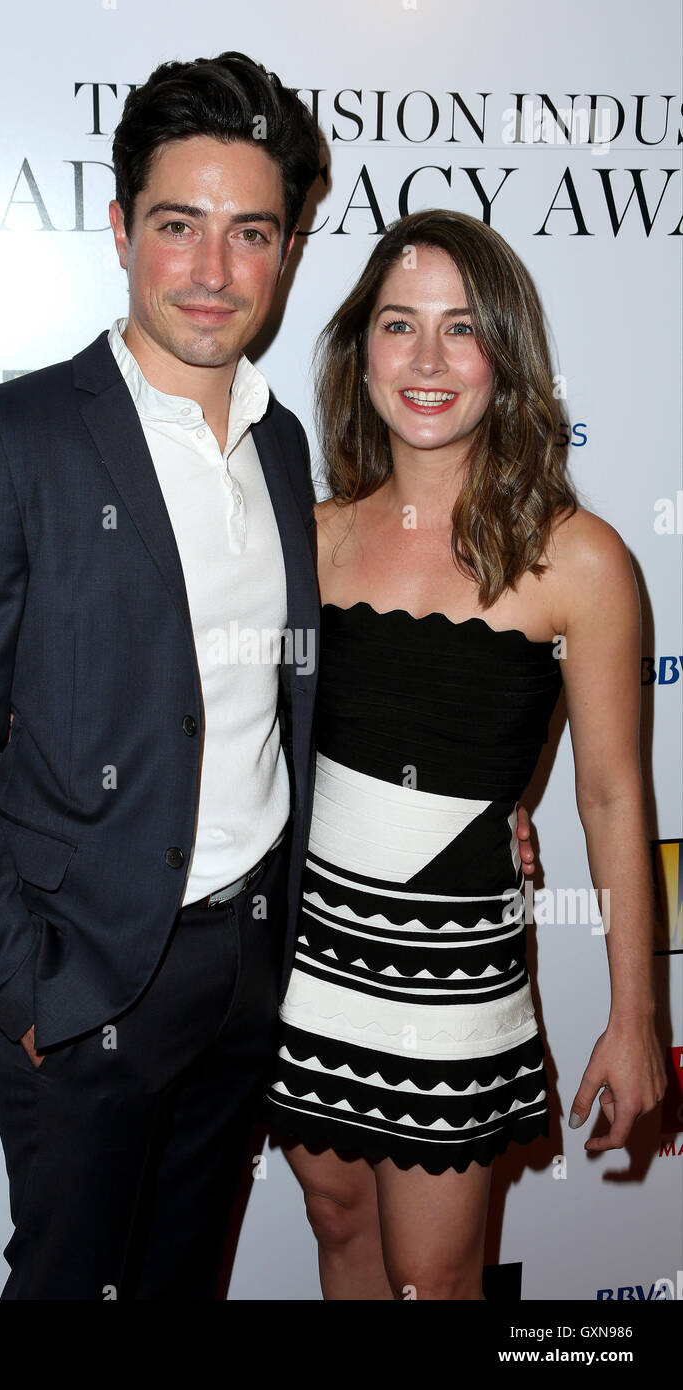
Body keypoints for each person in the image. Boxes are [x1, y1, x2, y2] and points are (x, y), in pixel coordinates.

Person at [0, 51, 324, 1301]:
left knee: (184, 1282)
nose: (211, 271)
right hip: (85, 981)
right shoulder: (4, 441)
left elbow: (284, 695)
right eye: (178, 226)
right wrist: (25, 986)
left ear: (285, 251)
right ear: (122, 227)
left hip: (246, 970)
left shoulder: (284, 448)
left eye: (250, 233)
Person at [264, 209, 666, 1301]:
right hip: (308, 964)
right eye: (399, 326)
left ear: (506, 353)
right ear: (361, 350)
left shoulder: (577, 559)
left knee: (433, 1282)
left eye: (458, 328)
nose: (428, 361)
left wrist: (634, 1021)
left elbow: (614, 794)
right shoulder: (308, 534)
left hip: (451, 987)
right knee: (336, 1227)